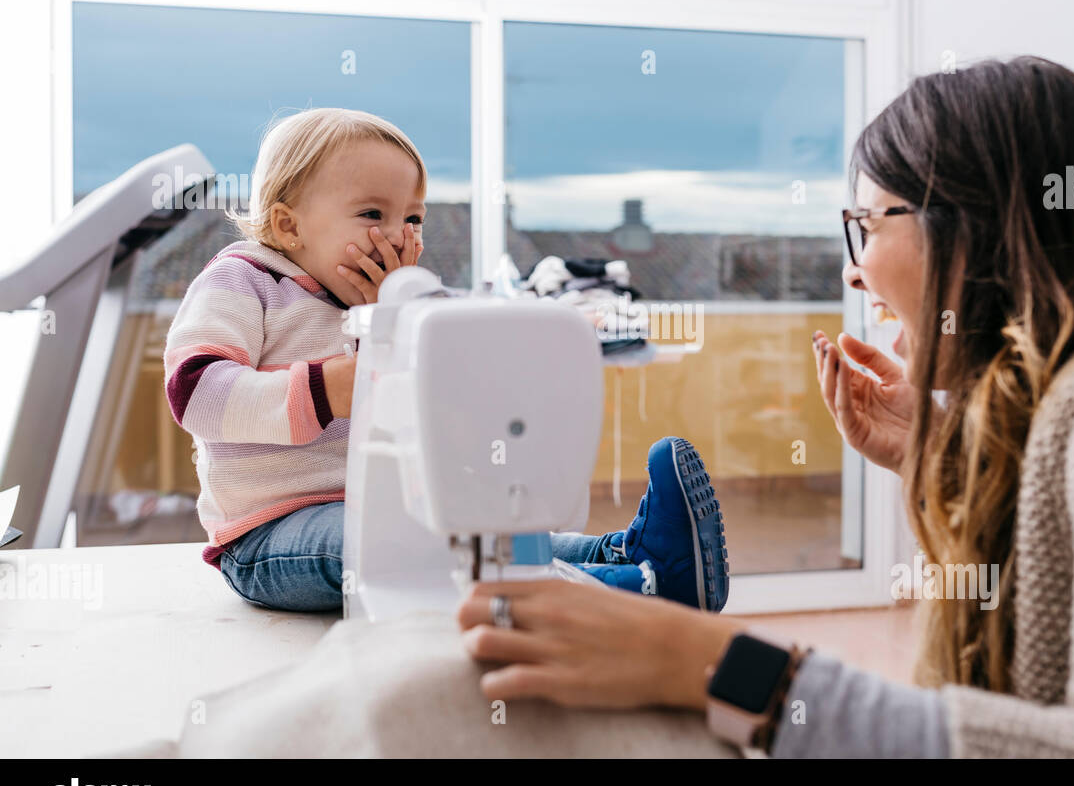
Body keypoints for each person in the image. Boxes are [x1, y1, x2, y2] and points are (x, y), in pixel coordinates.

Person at [457, 56, 1074, 758]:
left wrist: (732, 669)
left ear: (972, 228)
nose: (854, 273)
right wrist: (942, 459)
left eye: (866, 224)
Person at [163, 107, 730, 613]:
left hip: (393, 503)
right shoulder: (245, 280)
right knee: (419, 542)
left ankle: (638, 561)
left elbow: (469, 322)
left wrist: (560, 321)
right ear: (289, 224)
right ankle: (622, 592)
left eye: (412, 220)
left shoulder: (405, 297)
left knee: (493, 532)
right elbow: (198, 394)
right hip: (269, 532)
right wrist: (339, 384)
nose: (398, 236)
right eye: (372, 215)